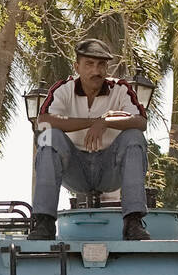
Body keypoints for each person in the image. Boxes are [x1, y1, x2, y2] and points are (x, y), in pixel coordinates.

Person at [29, 39, 151, 241]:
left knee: (134, 137)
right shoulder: (63, 89)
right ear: (77, 66)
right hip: (75, 168)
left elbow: (140, 121)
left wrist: (106, 121)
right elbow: (44, 120)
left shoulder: (121, 89)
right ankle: (44, 222)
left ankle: (133, 222)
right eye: (89, 64)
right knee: (49, 136)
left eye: (101, 64)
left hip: (109, 169)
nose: (96, 70)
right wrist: (93, 122)